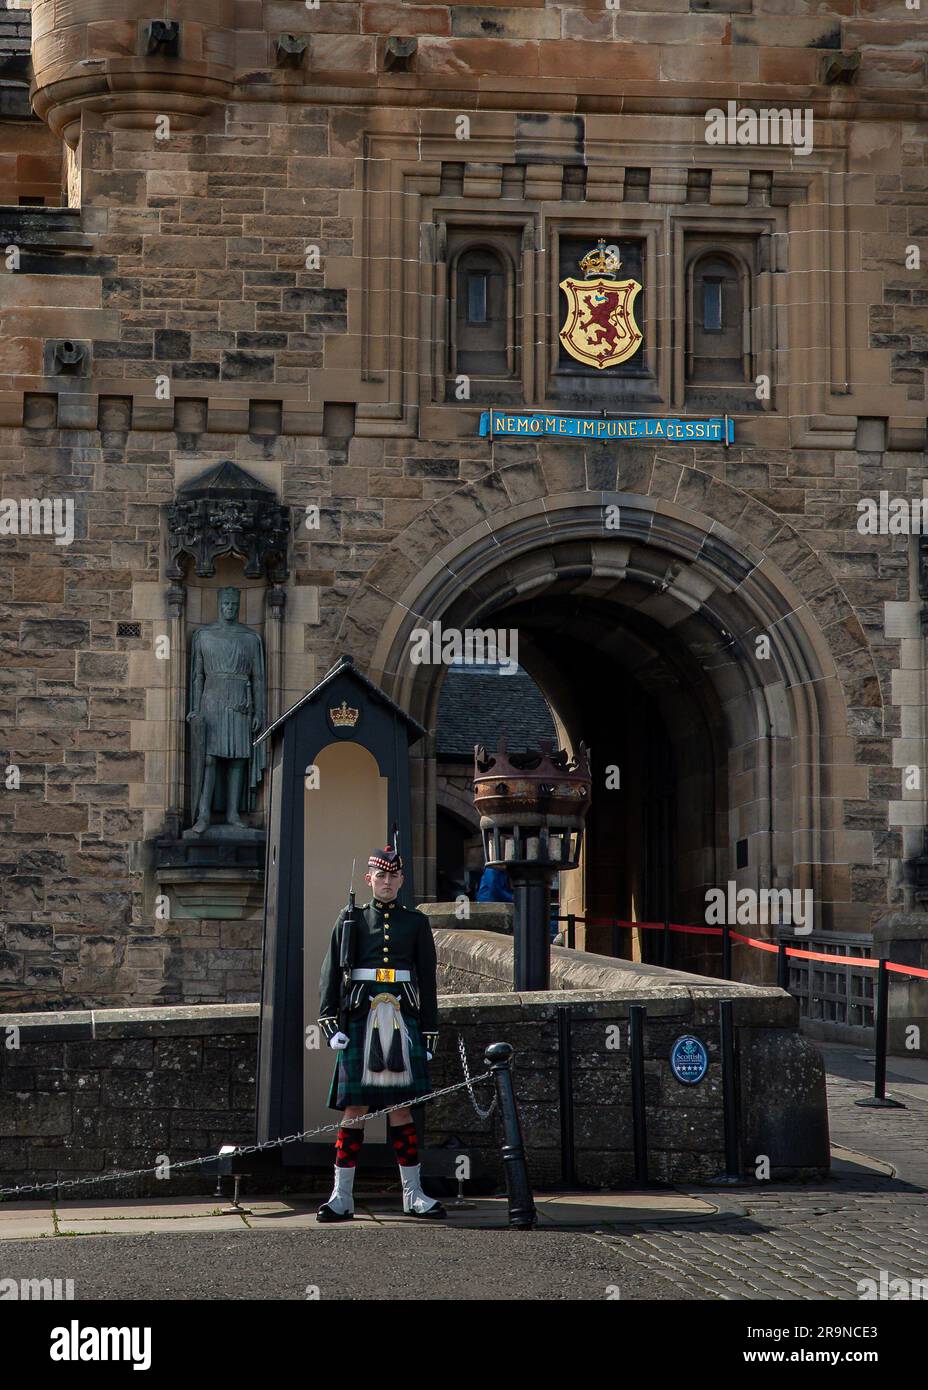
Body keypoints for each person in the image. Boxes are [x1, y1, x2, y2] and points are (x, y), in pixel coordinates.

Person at [315, 845, 445, 1223]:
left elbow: (428, 981)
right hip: (360, 1016)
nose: (387, 882)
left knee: (401, 1109)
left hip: (402, 1016)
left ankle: (413, 1194)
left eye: (393, 876)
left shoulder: (415, 923)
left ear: (401, 880)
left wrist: (429, 1035)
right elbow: (329, 974)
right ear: (369, 879)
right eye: (381, 876)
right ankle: (341, 1197)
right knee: (354, 1111)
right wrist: (330, 1023)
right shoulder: (350, 918)